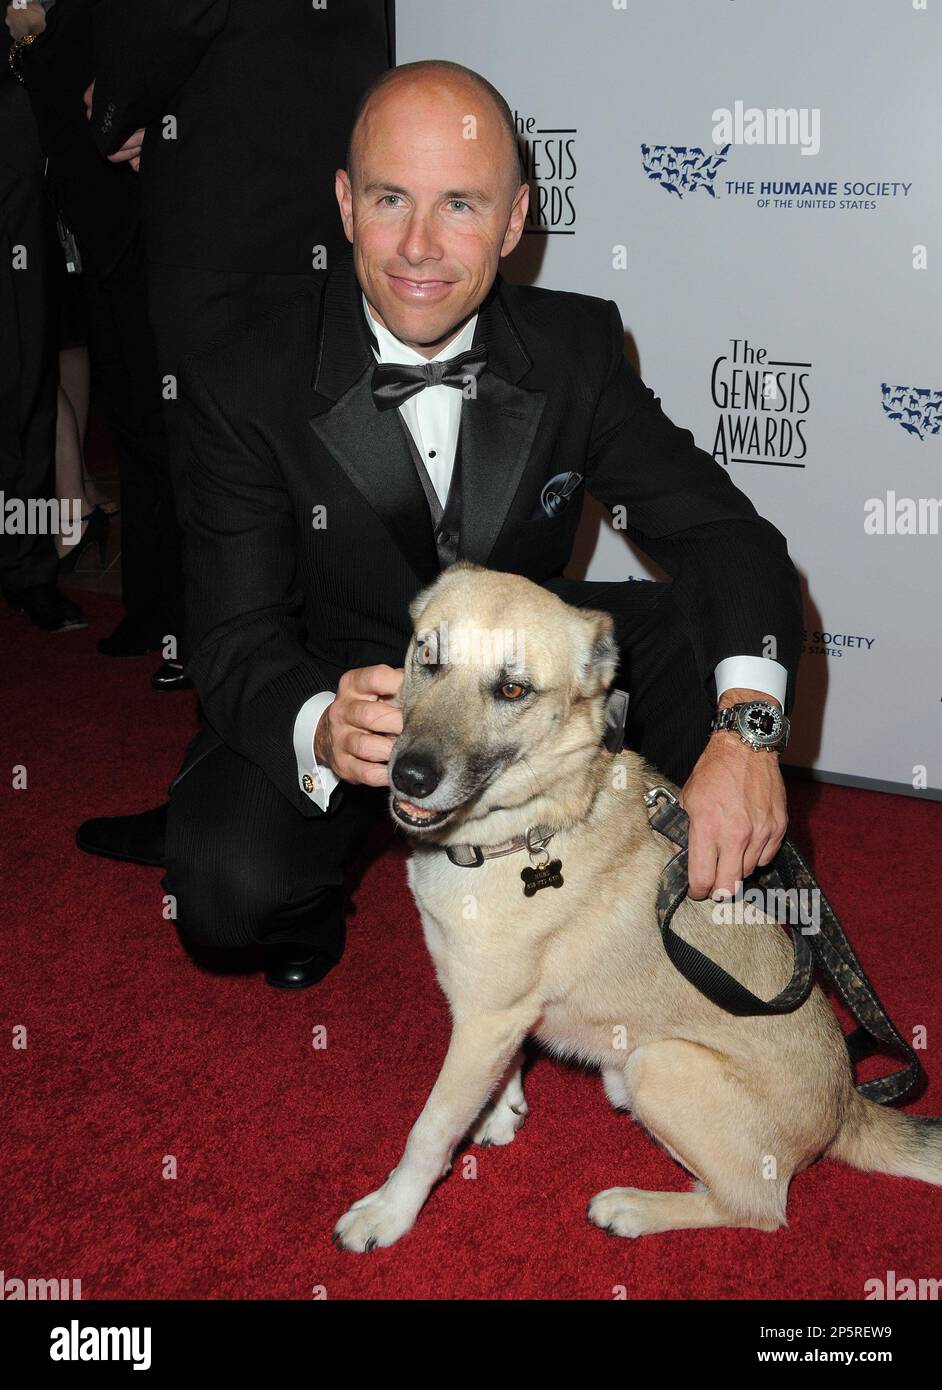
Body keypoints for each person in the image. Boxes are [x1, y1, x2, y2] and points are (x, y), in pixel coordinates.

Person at [82, 61, 803, 992]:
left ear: (513, 219)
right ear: (345, 204)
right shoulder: (244, 371)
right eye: (391, 199)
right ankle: (320, 886)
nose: (419, 246)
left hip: (511, 683)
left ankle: (663, 868)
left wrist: (746, 735)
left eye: (460, 205)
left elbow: (727, 538)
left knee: (698, 634)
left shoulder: (575, 349)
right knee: (229, 891)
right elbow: (234, 635)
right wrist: (320, 727)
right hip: (341, 679)